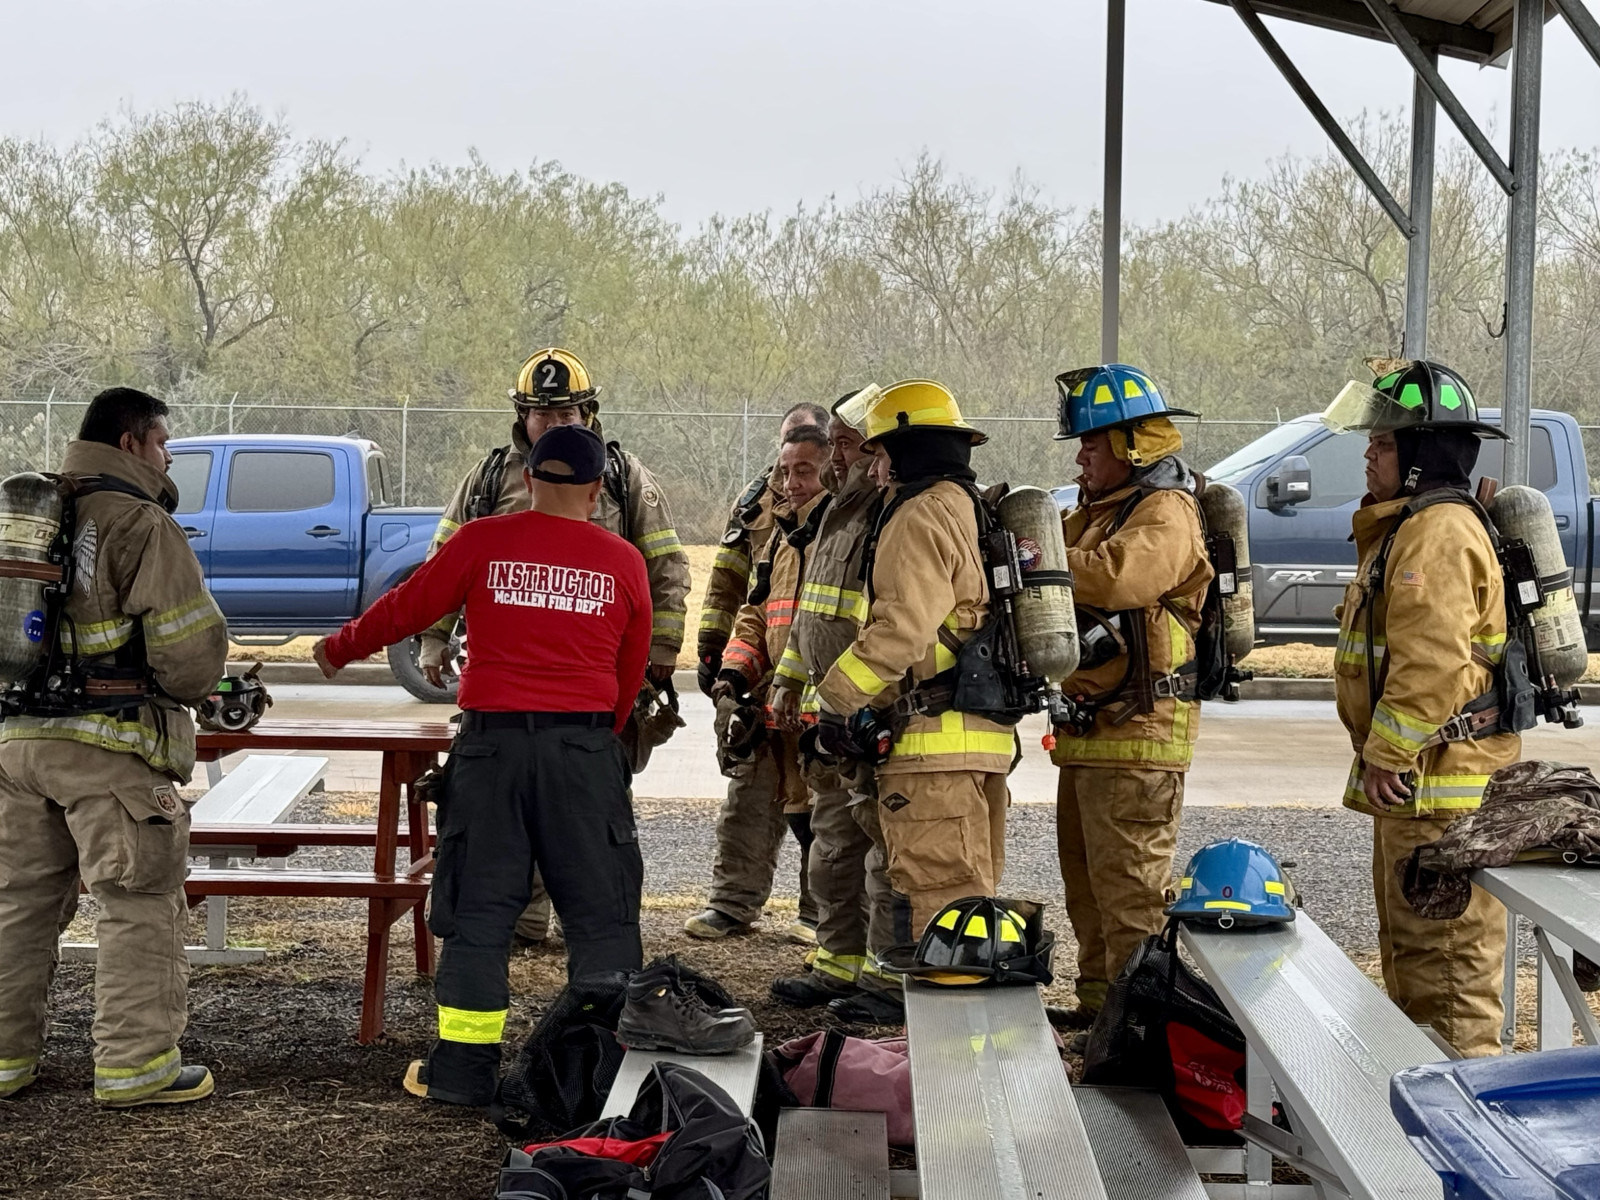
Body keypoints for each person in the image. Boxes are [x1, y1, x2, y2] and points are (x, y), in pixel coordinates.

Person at [313, 424, 651, 1106]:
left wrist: (339, 648)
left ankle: (463, 1074)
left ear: (528, 479)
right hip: (582, 752)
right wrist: (593, 741)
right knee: (601, 918)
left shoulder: (482, 542)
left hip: (491, 753)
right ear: (595, 491)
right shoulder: (621, 561)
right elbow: (631, 664)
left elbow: (409, 606)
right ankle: (600, 1078)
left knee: (479, 915)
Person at [0, 387, 229, 1107]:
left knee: (18, 902)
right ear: (132, 443)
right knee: (136, 900)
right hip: (111, 750)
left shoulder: (27, 514)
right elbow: (190, 658)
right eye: (163, 442)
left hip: (15, 747)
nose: (167, 457)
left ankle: (5, 1062)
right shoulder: (139, 522)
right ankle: (138, 1067)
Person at [418, 348, 688, 949]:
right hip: (510, 680)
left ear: (589, 413)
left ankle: (587, 920)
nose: (556, 423)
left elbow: (664, 564)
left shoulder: (624, 477)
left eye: (568, 412)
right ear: (522, 417)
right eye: (543, 414)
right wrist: (436, 639)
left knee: (593, 808)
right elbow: (443, 565)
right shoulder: (488, 480)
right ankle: (524, 918)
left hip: (599, 677)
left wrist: (663, 647)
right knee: (508, 809)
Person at [1320, 358, 1518, 1058]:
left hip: (1438, 792)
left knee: (1450, 981)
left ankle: (1469, 1147)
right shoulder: (1410, 526)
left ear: (1419, 455)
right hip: (1421, 792)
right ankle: (1420, 1146)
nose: (1369, 455)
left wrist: (1387, 753)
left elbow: (1431, 664)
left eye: (1382, 444)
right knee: (1415, 967)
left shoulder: (1436, 533)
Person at [813, 379, 1014, 1012]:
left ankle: (957, 1042)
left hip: (931, 743)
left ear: (905, 450)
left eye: (878, 453)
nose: (872, 467)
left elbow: (900, 630)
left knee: (941, 897)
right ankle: (961, 1018)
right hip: (974, 737)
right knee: (968, 887)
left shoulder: (919, 513)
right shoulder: (966, 505)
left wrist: (835, 702)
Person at [1049, 364, 1214, 1028]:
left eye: (1092, 443)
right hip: (1094, 733)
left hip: (1140, 737)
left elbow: (1119, 579)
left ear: (1133, 445)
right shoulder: (1097, 513)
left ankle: (1139, 1028)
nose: (1082, 456)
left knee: (1131, 897)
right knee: (1086, 890)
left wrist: (1043, 561)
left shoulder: (1165, 512)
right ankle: (1099, 1014)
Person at [767, 389, 900, 1019]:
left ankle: (882, 978)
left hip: (874, 712)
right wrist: (787, 681)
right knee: (834, 846)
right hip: (832, 714)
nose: (837, 457)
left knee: (882, 851)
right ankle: (836, 962)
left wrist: (847, 701)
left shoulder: (890, 513)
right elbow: (811, 618)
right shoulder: (837, 515)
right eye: (840, 443)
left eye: (848, 444)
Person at [685, 424, 832, 942]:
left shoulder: (845, 535)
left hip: (822, 701)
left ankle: (821, 919)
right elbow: (754, 608)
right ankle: (731, 905)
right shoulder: (779, 534)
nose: (789, 483)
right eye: (784, 471)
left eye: (804, 471)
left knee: (825, 817)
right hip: (769, 695)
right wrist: (730, 673)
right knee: (748, 801)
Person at [696, 401, 831, 696]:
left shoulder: (847, 528)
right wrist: (717, 655)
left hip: (817, 694)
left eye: (804, 468)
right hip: (767, 683)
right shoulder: (755, 506)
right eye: (789, 441)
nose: (792, 482)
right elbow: (732, 587)